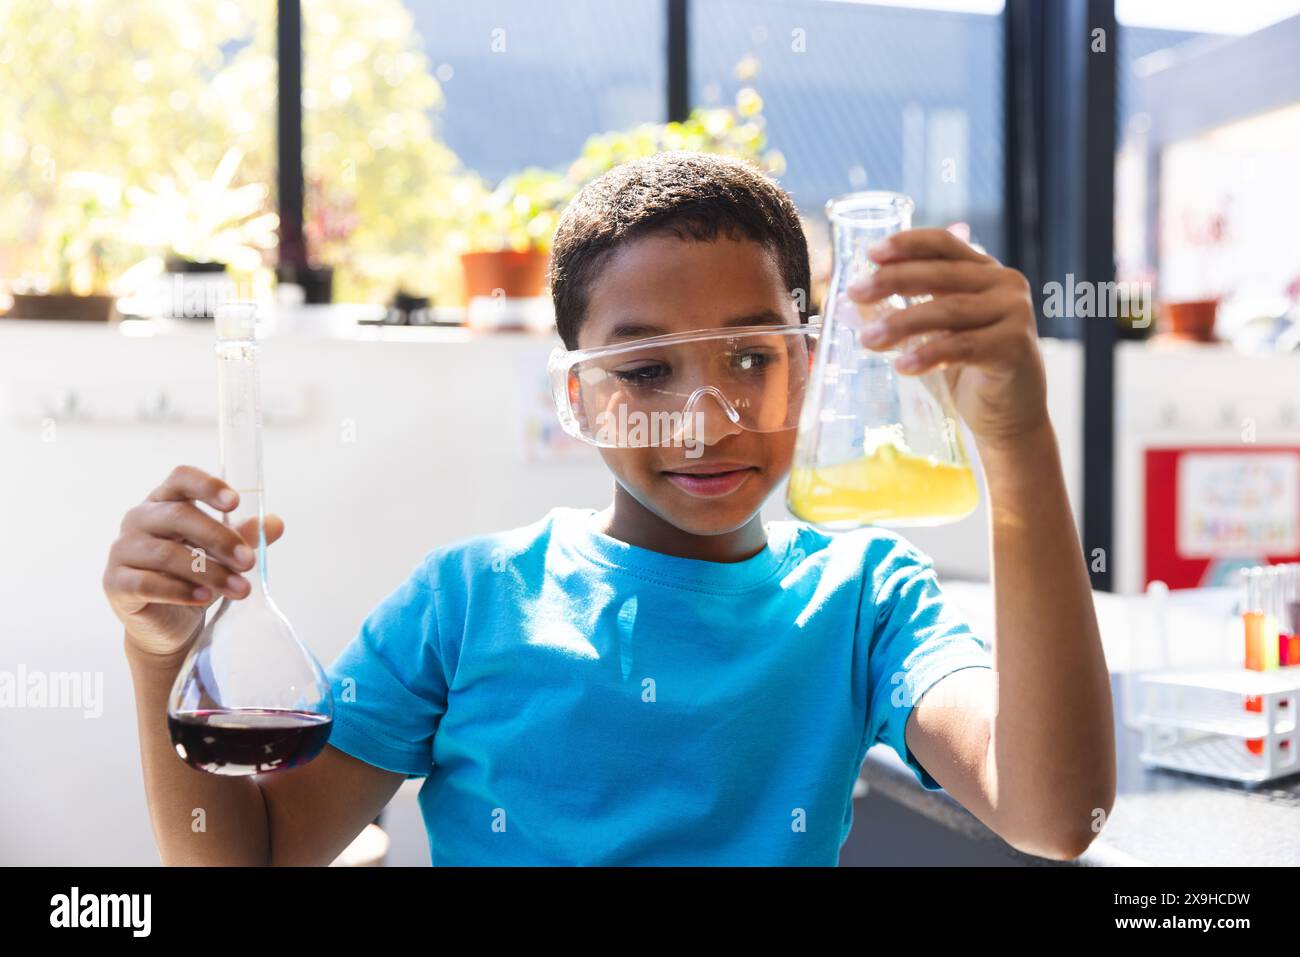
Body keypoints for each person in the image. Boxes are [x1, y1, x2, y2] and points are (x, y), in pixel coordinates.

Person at [105, 151, 1114, 866]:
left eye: (751, 358)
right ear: (573, 396)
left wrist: (1016, 441)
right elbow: (250, 860)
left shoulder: (867, 598)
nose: (703, 423)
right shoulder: (467, 601)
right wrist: (161, 658)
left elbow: (1056, 813)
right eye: (645, 370)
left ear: (812, 370)